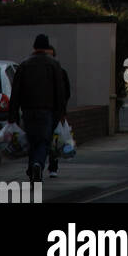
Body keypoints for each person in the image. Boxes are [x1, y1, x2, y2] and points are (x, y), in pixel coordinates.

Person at [7, 34, 67, 184]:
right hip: (47, 110)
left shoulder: (24, 64)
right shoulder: (54, 64)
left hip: (27, 110)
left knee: (32, 140)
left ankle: (32, 172)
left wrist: (12, 114)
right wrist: (61, 113)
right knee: (43, 141)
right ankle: (38, 164)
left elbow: (16, 92)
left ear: (34, 47)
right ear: (47, 48)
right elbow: (60, 91)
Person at [46, 47, 71, 178]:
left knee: (54, 141)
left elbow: (66, 94)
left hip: (55, 113)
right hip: (43, 112)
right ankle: (36, 165)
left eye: (51, 55)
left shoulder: (61, 73)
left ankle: (53, 167)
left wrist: (62, 111)